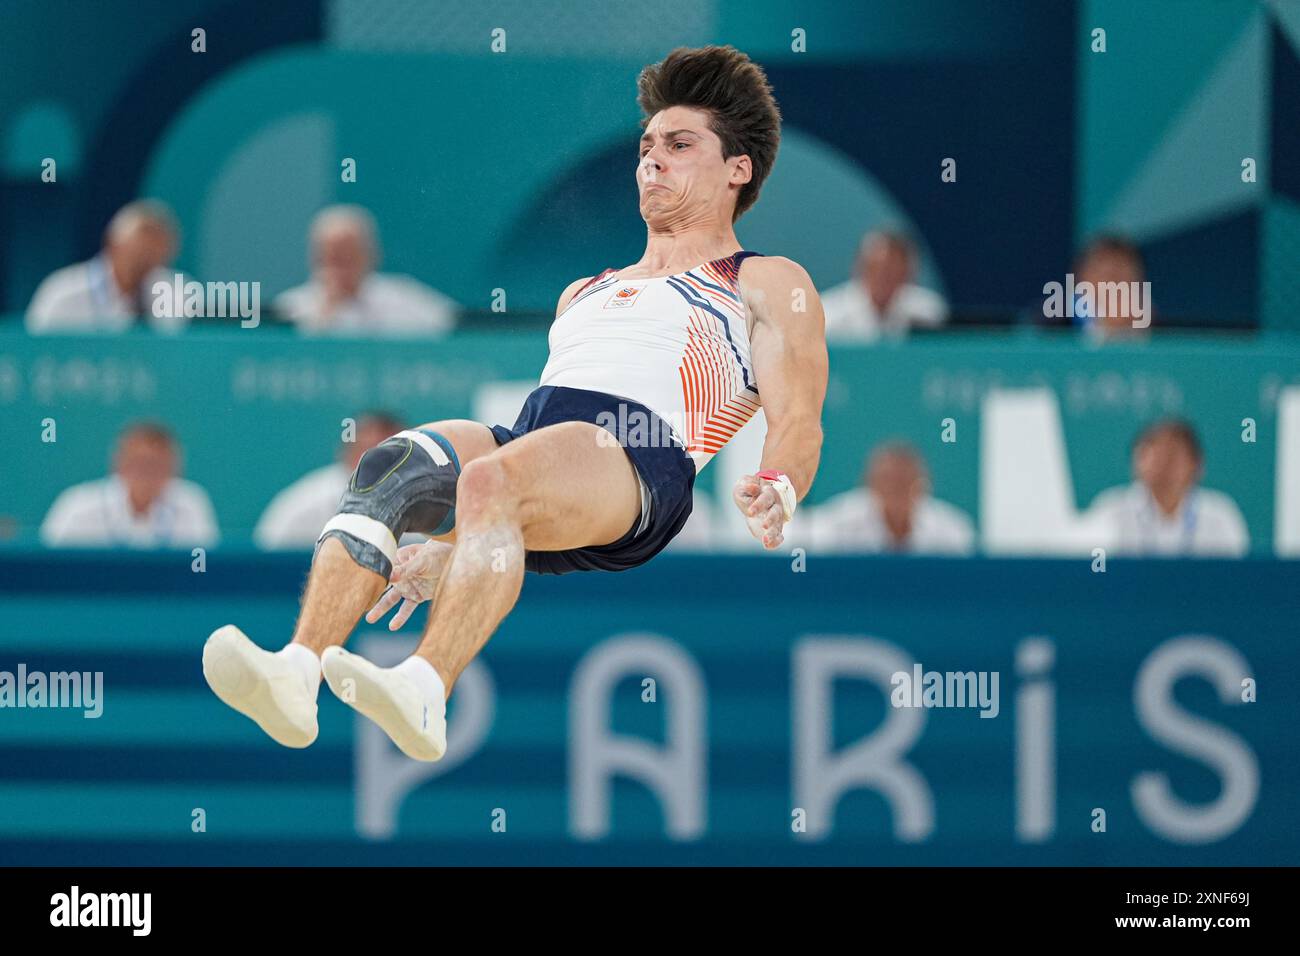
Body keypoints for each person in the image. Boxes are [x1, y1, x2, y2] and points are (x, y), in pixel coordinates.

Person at [203, 45, 828, 762]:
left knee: (491, 478)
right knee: (391, 466)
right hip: (544, 449)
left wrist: (780, 480)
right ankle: (296, 670)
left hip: (641, 461)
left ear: (738, 168)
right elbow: (538, 470)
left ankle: (428, 686)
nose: (653, 159)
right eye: (647, 144)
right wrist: (464, 545)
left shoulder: (766, 280)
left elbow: (799, 414)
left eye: (681, 145)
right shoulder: (584, 291)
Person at [272, 205, 458, 337]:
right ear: (315, 259)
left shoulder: (406, 298)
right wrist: (325, 314)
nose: (342, 269)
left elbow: (454, 329)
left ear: (371, 255)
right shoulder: (290, 308)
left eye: (350, 257)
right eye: (333, 258)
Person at [1082, 419, 1248, 556]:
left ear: (1197, 464)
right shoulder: (1109, 511)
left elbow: (1235, 578)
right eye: (1150, 453)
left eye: (1172, 454)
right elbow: (1095, 573)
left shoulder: (1220, 515)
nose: (1162, 463)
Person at [40, 421, 218, 548]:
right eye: (139, 463)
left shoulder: (192, 503)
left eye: (157, 465)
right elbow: (49, 569)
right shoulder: (78, 506)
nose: (147, 473)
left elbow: (206, 571)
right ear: (118, 464)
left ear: (175, 469)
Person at [26, 201, 187, 334]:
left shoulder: (178, 293)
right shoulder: (63, 293)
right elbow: (33, 353)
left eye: (156, 258)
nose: (146, 264)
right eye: (139, 255)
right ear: (113, 245)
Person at [253, 412, 406, 550]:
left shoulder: (421, 498)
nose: (377, 460)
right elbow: (264, 563)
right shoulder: (306, 504)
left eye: (390, 452)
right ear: (348, 452)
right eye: (367, 449)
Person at [809, 442, 974, 554]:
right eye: (887, 480)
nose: (895, 489)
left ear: (923, 484)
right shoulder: (837, 522)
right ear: (870, 483)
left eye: (904, 481)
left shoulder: (952, 529)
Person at [819, 230, 947, 342]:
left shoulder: (929, 312)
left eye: (893, 273)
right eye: (876, 270)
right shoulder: (827, 316)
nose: (883, 279)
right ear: (859, 268)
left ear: (908, 275)